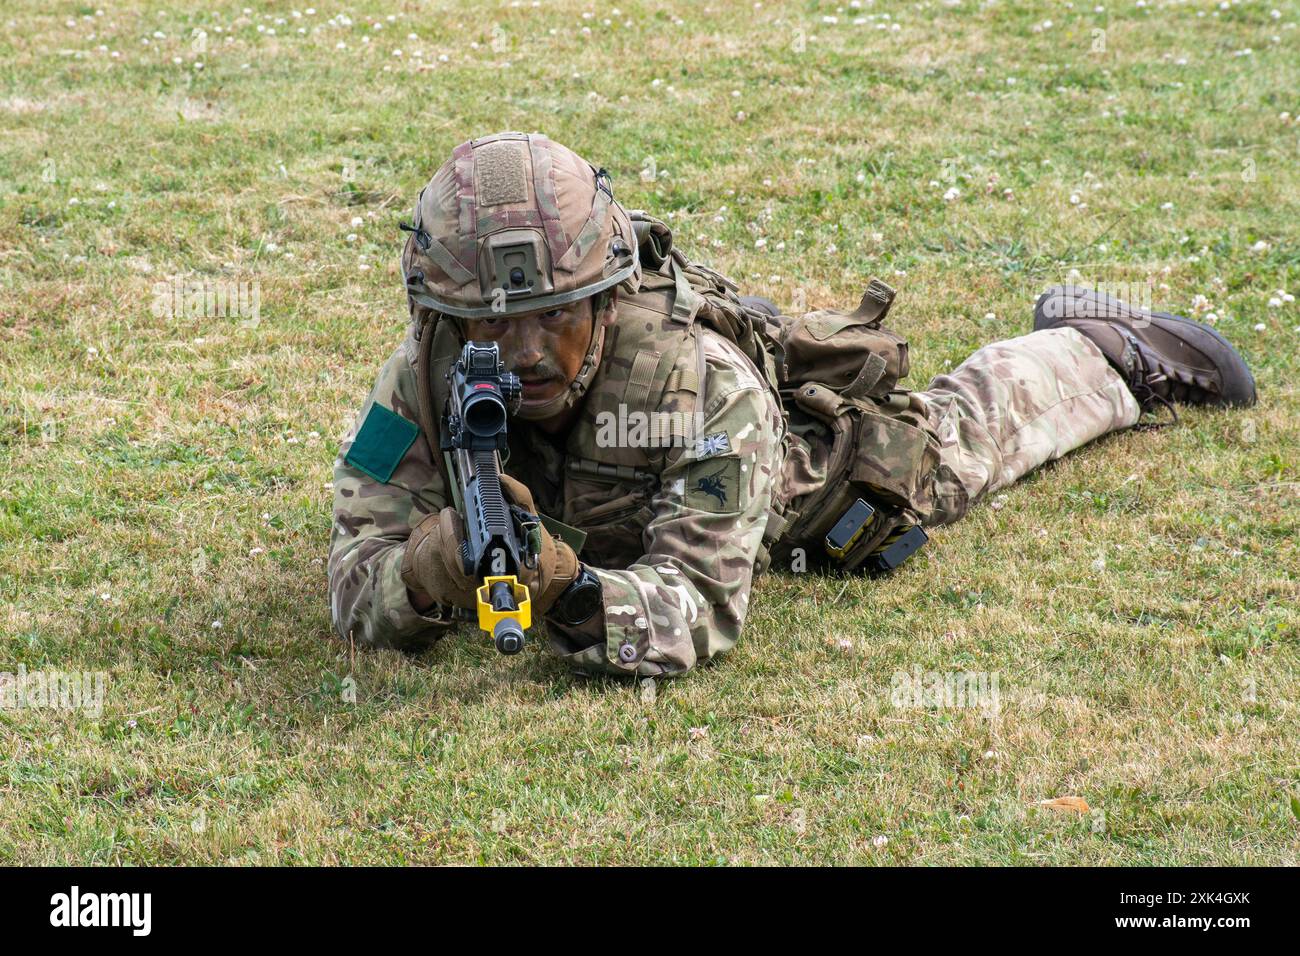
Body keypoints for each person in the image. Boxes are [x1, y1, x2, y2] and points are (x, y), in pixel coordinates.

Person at [328, 132, 1256, 678]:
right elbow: (351, 573)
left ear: (608, 295)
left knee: (957, 439)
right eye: (494, 326)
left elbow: (698, 604)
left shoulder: (700, 385)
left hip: (796, 481)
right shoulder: (420, 375)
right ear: (440, 316)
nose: (524, 353)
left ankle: (1107, 347)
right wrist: (422, 572)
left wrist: (571, 593)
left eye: (555, 315)